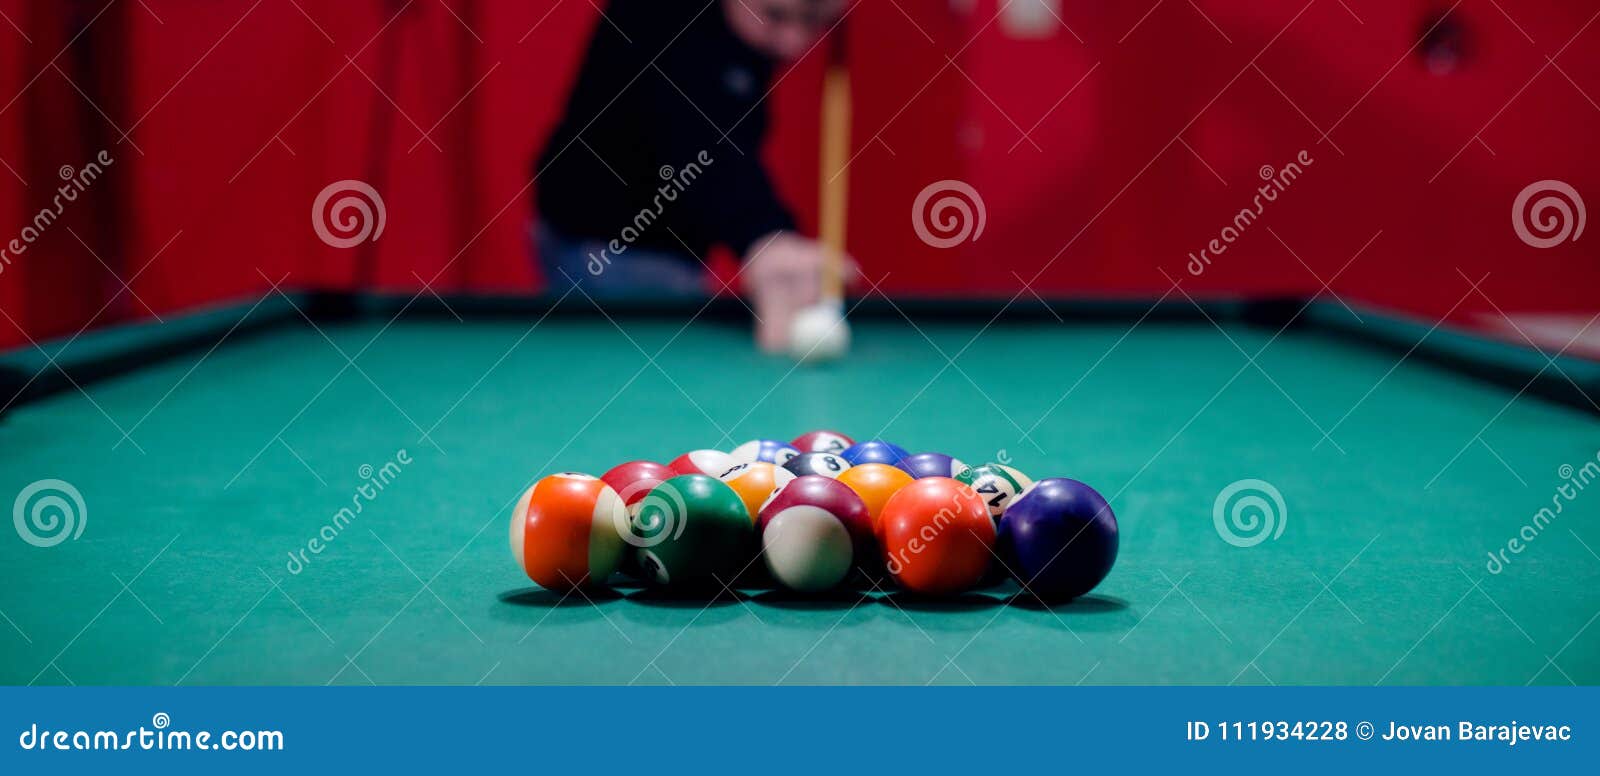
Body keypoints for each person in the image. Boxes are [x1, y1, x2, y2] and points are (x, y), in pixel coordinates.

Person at [533, 0, 850, 352]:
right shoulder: (659, 16)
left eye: (813, 21)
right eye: (775, 15)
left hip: (665, 244)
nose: (794, 43)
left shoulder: (742, 32)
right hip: (611, 243)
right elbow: (695, 139)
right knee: (637, 387)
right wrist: (766, 236)